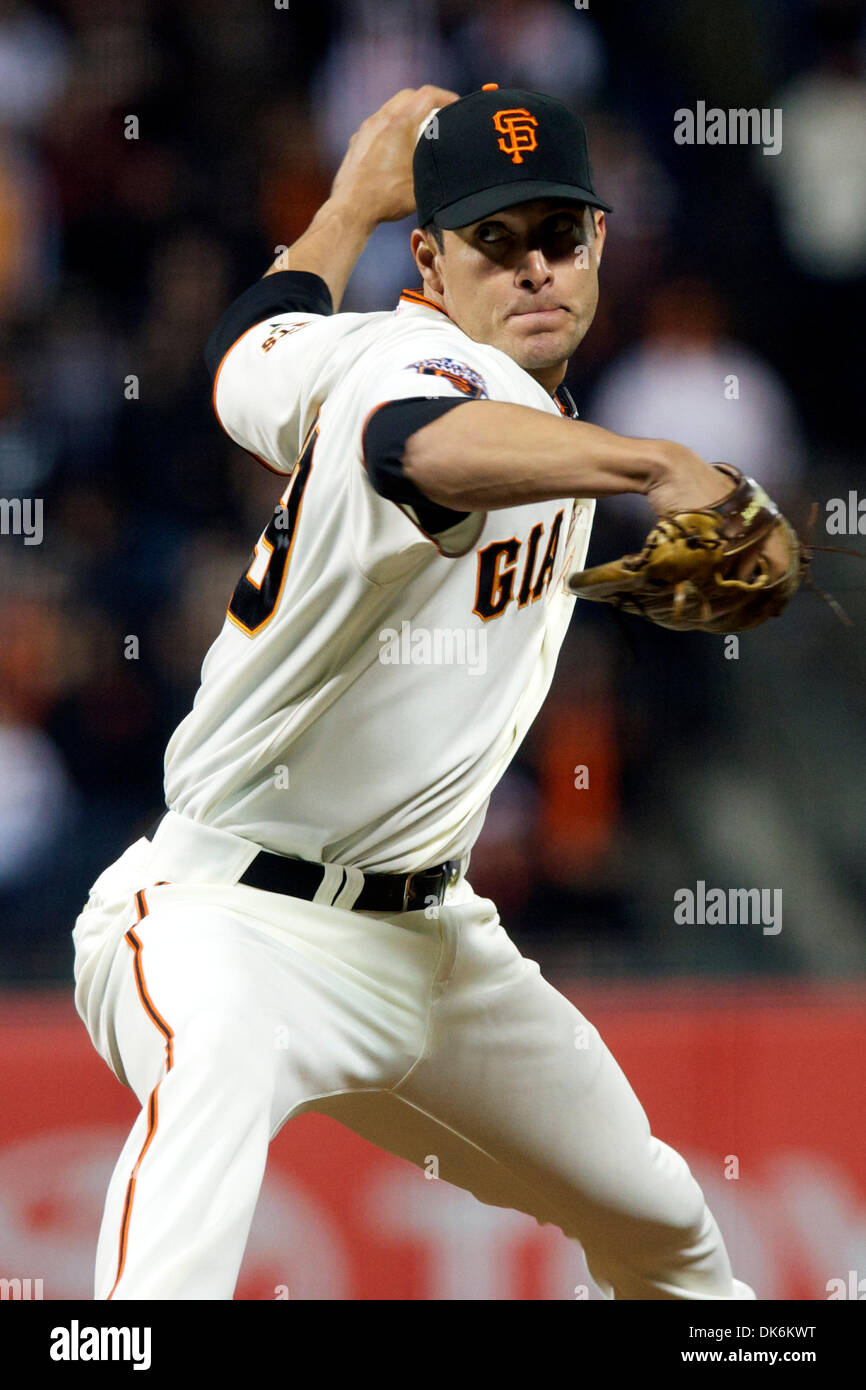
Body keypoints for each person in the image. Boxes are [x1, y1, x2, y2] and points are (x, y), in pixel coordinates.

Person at [73, 84, 760, 1300]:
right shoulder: (418, 360)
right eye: (493, 242)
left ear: (599, 243)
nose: (534, 268)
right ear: (432, 261)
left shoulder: (333, 347)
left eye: (557, 234)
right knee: (181, 1217)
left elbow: (247, 353)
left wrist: (345, 203)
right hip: (229, 916)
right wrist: (652, 459)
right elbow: (418, 443)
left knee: (663, 1226)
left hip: (434, 941)